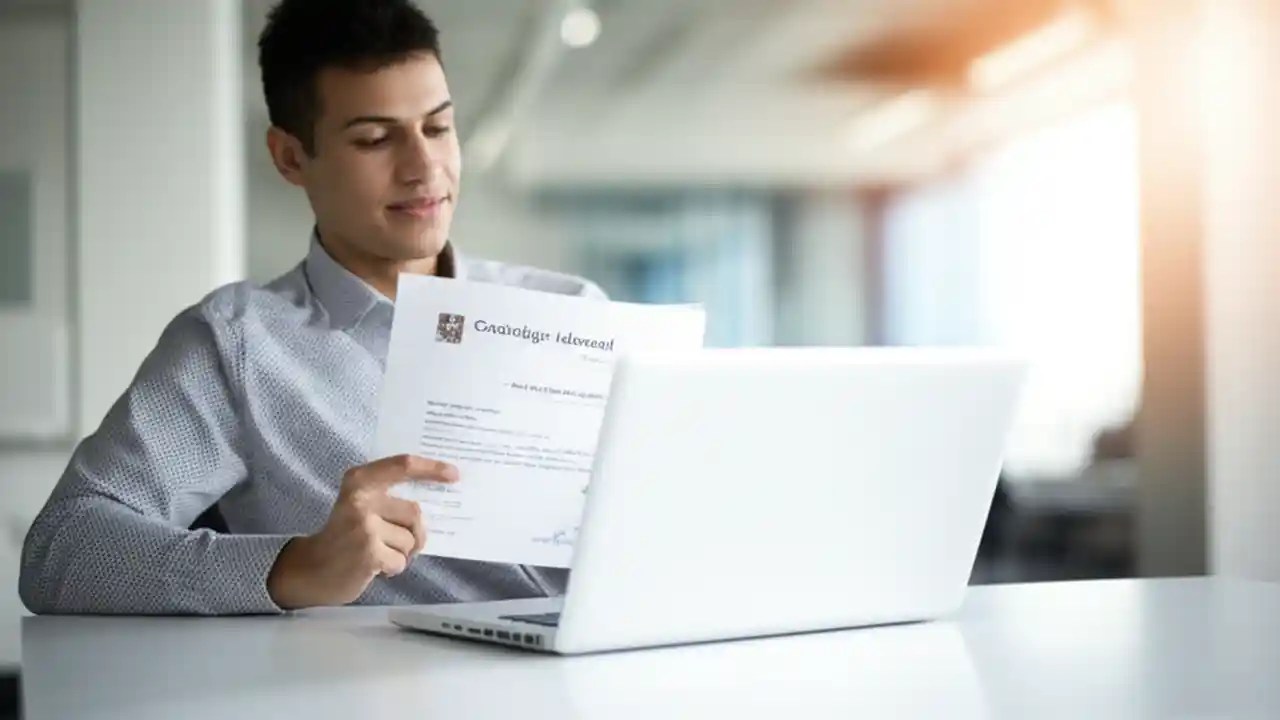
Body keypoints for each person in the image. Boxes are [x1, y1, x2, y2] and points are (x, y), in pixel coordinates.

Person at [19, 0, 604, 615]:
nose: (424, 167)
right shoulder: (238, 345)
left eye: (437, 128)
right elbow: (62, 548)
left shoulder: (574, 310)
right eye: (376, 139)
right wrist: (294, 566)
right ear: (291, 157)